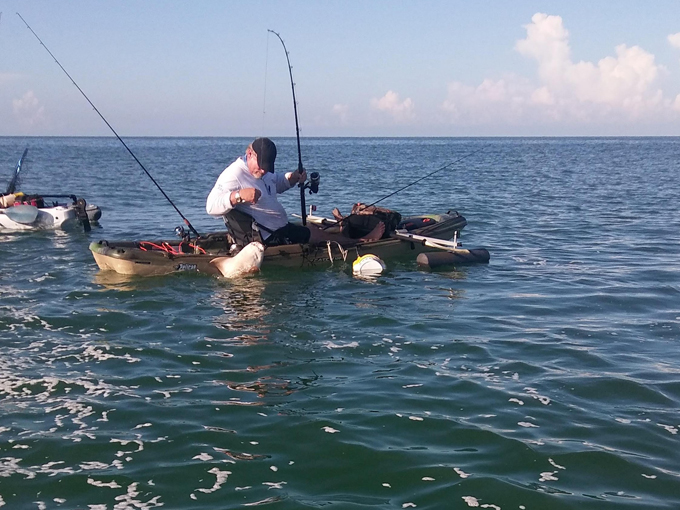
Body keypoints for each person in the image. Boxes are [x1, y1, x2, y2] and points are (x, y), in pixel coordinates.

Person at [206, 137, 383, 246]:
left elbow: (276, 183)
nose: (263, 172)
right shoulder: (234, 174)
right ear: (249, 154)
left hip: (280, 229)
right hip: (270, 237)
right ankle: (363, 241)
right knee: (315, 234)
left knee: (312, 227)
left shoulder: (263, 173)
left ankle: (345, 233)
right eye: (260, 168)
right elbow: (211, 206)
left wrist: (292, 178)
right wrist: (238, 196)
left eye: (266, 169)